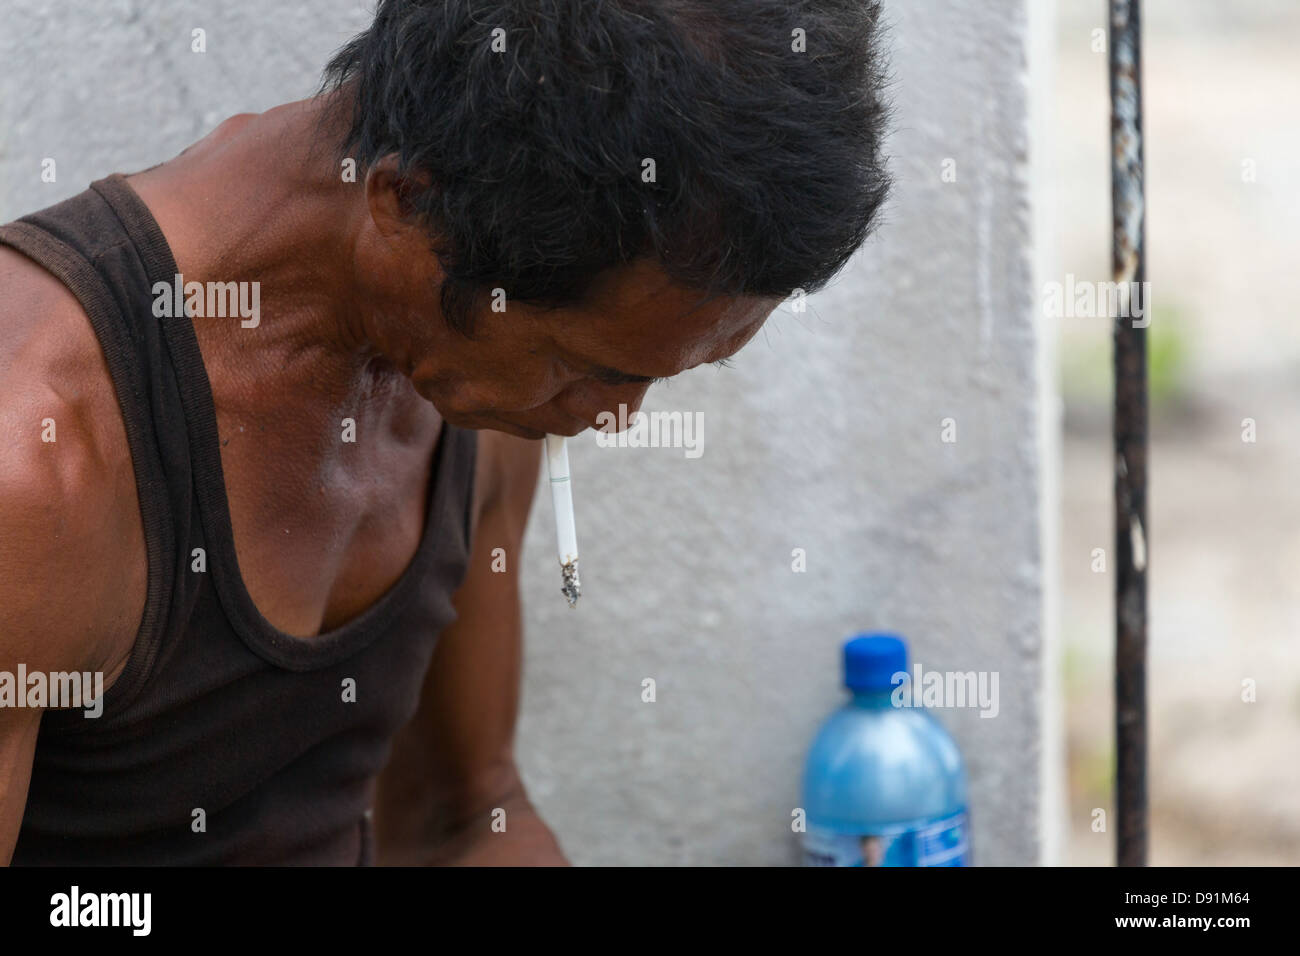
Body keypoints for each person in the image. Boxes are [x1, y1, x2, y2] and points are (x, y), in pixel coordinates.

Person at [0, 0, 888, 865]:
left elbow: (463, 820)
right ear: (408, 205)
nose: (615, 417)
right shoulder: (38, 461)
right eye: (597, 369)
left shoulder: (481, 389)